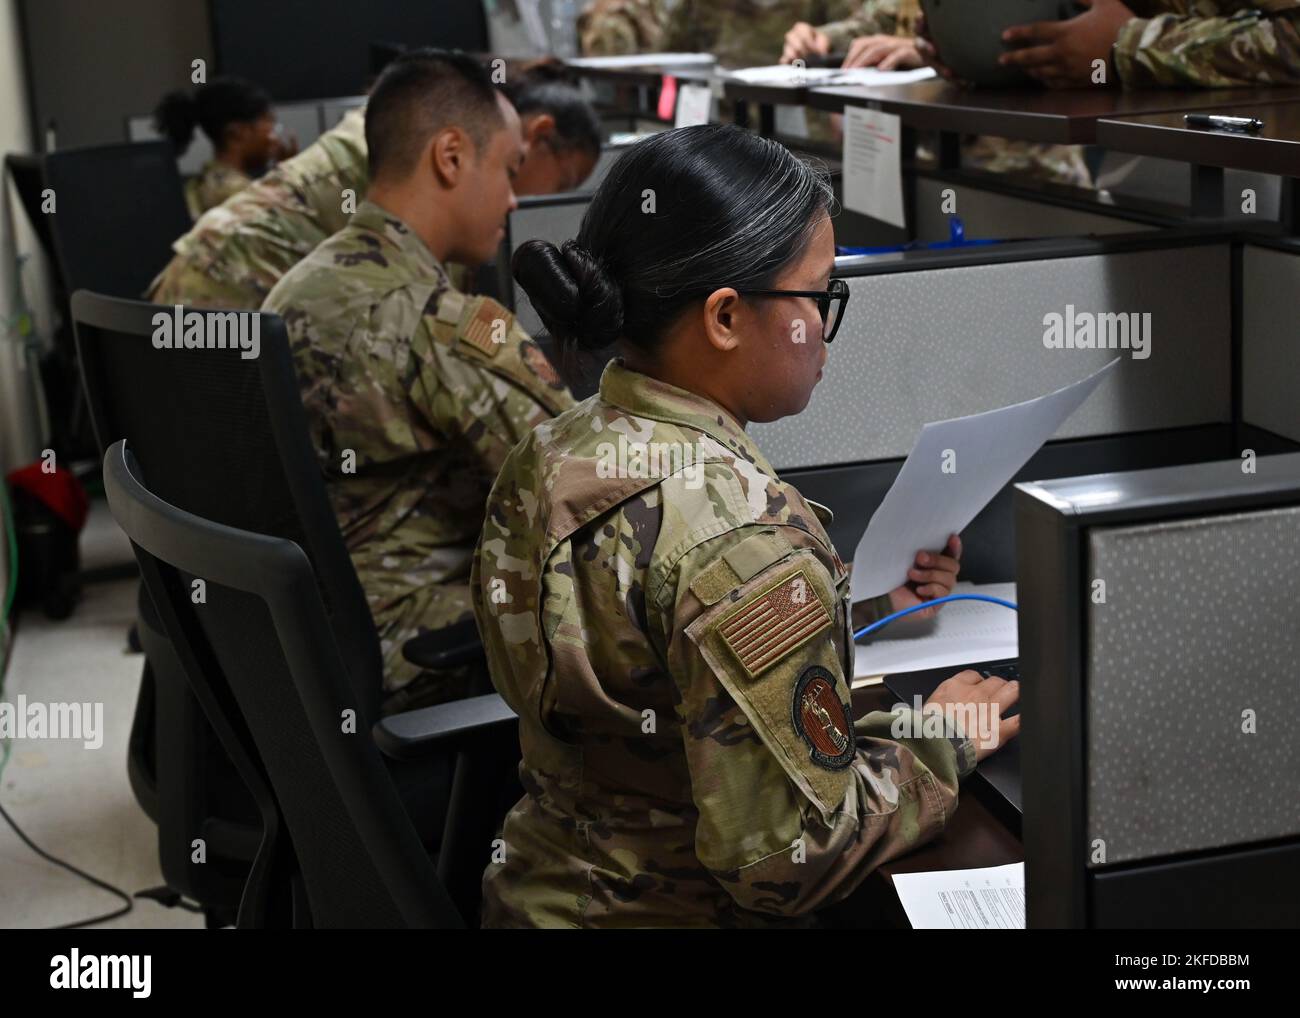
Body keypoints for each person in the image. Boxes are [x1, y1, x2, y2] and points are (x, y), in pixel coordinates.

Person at [474, 124, 1019, 928]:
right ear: (726, 316)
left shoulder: (555, 447)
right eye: (819, 295)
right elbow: (782, 863)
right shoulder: (742, 535)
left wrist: (851, 611)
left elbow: (644, 669)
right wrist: (941, 740)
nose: (827, 331)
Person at [263, 51, 575, 712]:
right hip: (406, 648)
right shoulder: (435, 325)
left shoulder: (298, 286)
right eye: (510, 169)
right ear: (452, 156)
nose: (515, 198)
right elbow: (581, 490)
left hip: (304, 643)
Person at [149, 63, 604, 311]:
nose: (527, 200)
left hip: (190, 308)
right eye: (562, 182)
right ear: (539, 135)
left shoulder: (416, 121)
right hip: (224, 309)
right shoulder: (425, 151)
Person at [781, 1, 1091, 187]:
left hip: (1023, 175)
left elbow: (1006, 39)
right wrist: (821, 38)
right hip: (930, 169)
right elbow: (879, 20)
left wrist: (935, 49)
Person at [153, 76, 297, 219]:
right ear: (237, 132)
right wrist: (288, 177)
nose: (274, 134)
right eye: (269, 122)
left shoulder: (198, 185)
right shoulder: (239, 194)